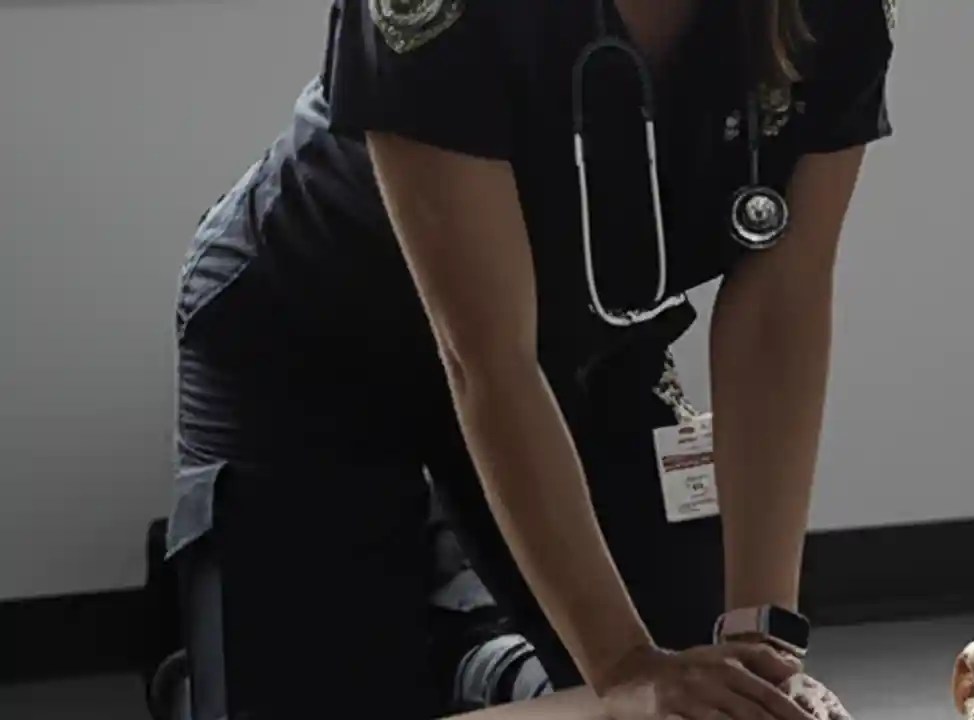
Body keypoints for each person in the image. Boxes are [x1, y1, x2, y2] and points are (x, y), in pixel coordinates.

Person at [168, 0, 895, 718]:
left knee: (705, 698)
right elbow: (484, 358)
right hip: (313, 344)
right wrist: (621, 667)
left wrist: (759, 638)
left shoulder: (829, 10)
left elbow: (779, 308)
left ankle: (481, 653)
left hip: (582, 352)